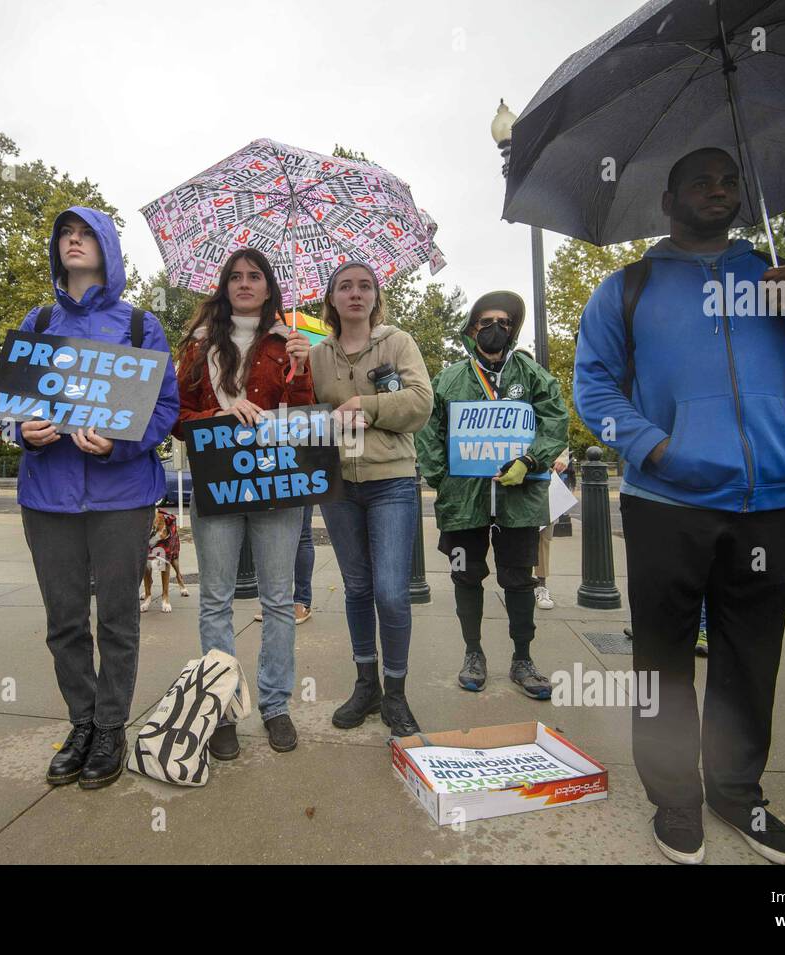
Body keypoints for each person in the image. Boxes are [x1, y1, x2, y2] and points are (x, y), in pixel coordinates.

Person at [574, 146, 785, 866]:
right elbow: (593, 389)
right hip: (666, 501)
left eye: (729, 180)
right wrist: (653, 447)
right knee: (663, 659)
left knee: (751, 658)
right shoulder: (625, 289)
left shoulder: (774, 278)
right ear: (669, 200)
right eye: (700, 180)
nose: (718, 190)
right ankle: (675, 797)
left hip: (771, 498)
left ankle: (736, 790)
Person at [15, 208, 178, 790]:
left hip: (121, 499)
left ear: (107, 247)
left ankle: (111, 726)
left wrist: (118, 444)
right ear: (55, 249)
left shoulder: (141, 326)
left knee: (117, 617)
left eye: (85, 233)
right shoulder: (36, 322)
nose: (73, 241)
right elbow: (15, 402)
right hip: (48, 498)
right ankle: (79, 723)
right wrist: (22, 432)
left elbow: (164, 409)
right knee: (63, 619)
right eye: (64, 233)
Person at [173, 248, 313, 758]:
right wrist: (221, 414)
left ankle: (276, 705)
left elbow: (305, 424)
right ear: (224, 286)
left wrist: (300, 372)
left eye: (255, 276)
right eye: (236, 277)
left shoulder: (291, 345)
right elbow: (178, 417)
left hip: (278, 484)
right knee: (216, 599)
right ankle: (221, 705)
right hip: (219, 481)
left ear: (269, 285)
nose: (245, 284)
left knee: (279, 599)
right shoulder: (197, 346)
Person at [417, 291, 568, 701]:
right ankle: (473, 653)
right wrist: (442, 478)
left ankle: (522, 658)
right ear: (471, 329)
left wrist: (532, 460)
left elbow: (556, 419)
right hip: (464, 501)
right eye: (486, 322)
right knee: (466, 575)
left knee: (519, 578)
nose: (495, 328)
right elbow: (429, 431)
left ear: (512, 329)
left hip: (518, 502)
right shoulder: (448, 379)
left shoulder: (532, 375)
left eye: (503, 322)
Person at [310, 261, 433, 736]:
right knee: (357, 588)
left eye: (364, 286)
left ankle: (396, 694)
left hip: (392, 482)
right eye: (345, 286)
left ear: (375, 297)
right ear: (332, 298)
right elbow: (302, 411)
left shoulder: (398, 343)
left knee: (391, 592)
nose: (355, 294)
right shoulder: (317, 355)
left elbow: (421, 404)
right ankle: (367, 685)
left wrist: (371, 405)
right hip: (338, 486)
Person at [530, 448, 571, 610]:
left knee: (544, 534)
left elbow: (559, 431)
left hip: (545, 476)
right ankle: (519, 583)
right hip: (517, 475)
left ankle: (541, 584)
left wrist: (562, 457)